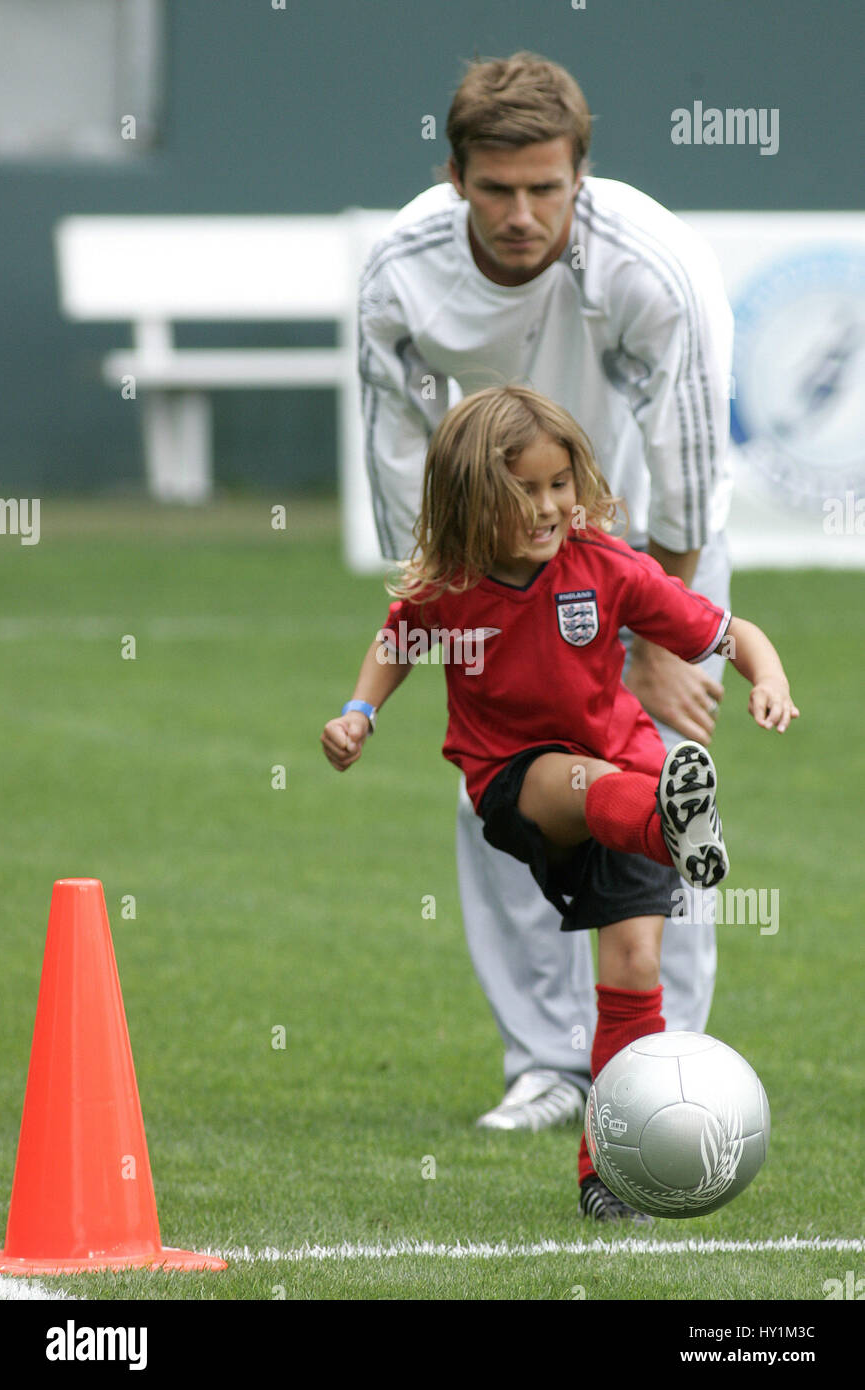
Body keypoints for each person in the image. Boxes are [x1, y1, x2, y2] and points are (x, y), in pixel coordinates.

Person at [359, 51, 736, 1130]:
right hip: (482, 562)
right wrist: (435, 608)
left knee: (657, 789)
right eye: (493, 188)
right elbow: (395, 451)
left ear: (582, 176)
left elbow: (689, 464)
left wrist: (654, 633)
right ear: (452, 178)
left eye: (544, 188)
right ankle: (543, 1067)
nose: (520, 213)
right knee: (499, 794)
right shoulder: (398, 273)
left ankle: (662, 1067)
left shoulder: (650, 269)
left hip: (647, 540)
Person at [322, 385, 798, 1221]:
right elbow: (397, 639)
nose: (547, 508)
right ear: (472, 498)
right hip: (517, 782)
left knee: (635, 973)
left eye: (558, 484)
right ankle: (671, 825)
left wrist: (769, 678)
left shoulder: (604, 567)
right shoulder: (452, 586)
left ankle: (608, 1176)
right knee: (576, 777)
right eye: (523, 492)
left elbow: (728, 632)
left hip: (630, 773)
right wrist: (358, 715)